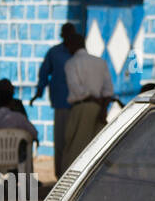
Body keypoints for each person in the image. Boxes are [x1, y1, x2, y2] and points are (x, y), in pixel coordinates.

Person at [62, 29, 115, 171]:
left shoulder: (71, 63)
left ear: (73, 45)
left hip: (81, 108)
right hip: (99, 109)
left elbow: (77, 89)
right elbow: (108, 90)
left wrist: (94, 100)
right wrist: (103, 109)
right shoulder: (100, 62)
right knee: (95, 148)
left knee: (75, 148)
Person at [29, 22, 77, 176]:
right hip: (61, 102)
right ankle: (60, 174)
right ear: (62, 35)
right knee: (61, 141)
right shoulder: (54, 53)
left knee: (75, 141)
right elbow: (44, 74)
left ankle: (73, 174)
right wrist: (38, 93)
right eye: (66, 34)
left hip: (78, 104)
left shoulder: (79, 53)